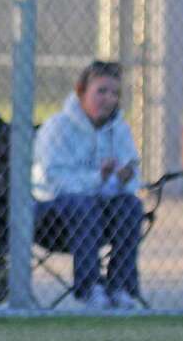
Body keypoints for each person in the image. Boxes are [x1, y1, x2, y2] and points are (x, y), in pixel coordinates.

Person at [32, 60, 144, 311]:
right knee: (84, 205)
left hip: (99, 215)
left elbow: (131, 178)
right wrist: (98, 179)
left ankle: (120, 287)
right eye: (101, 91)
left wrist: (121, 180)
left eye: (115, 93)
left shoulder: (120, 130)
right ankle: (89, 288)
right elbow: (54, 182)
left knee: (130, 206)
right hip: (52, 216)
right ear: (81, 91)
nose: (109, 99)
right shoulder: (58, 127)